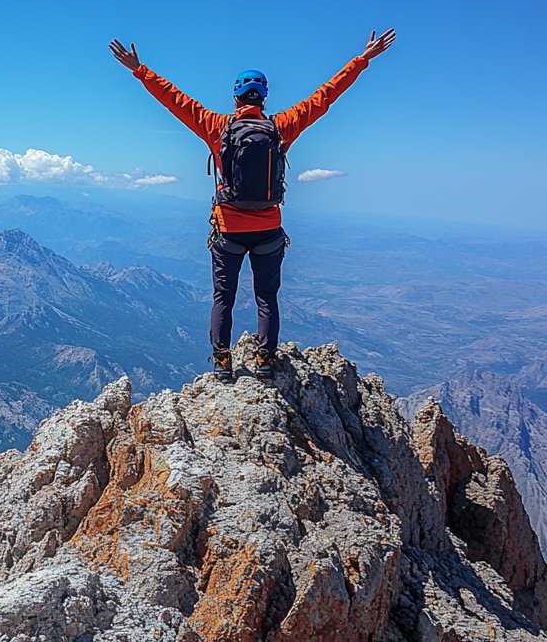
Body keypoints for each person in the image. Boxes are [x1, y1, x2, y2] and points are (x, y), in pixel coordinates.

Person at [109, 29, 395, 381]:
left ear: (235, 97)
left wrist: (139, 70)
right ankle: (264, 362)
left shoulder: (217, 126)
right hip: (269, 230)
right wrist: (361, 60)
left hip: (228, 230)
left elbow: (175, 100)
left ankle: (222, 362)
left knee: (223, 298)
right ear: (263, 98)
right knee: (266, 298)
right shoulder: (281, 127)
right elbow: (326, 96)